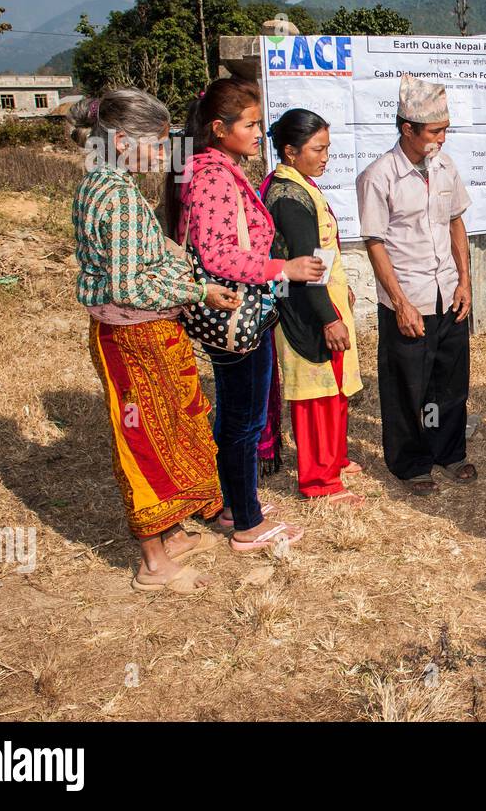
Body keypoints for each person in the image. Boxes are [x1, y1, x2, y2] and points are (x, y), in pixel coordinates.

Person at [71, 88, 241, 593]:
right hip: (132, 336)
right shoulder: (117, 195)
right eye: (159, 144)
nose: (166, 154)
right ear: (123, 141)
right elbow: (128, 285)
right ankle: (152, 562)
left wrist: (172, 260)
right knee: (141, 438)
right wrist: (198, 289)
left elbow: (138, 261)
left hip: (144, 332)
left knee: (167, 428)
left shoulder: (103, 183)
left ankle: (168, 534)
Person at [173, 78, 326, 552]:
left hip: (240, 310)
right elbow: (217, 255)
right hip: (236, 312)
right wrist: (284, 268)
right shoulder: (213, 175)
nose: (259, 133)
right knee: (244, 418)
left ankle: (232, 502)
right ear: (219, 128)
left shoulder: (217, 168)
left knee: (235, 414)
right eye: (251, 124)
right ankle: (247, 523)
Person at [356, 74, 475, 495]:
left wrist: (464, 282)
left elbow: (456, 221)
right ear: (407, 128)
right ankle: (409, 462)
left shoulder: (445, 166)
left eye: (445, 130)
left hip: (449, 294)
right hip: (408, 300)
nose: (442, 139)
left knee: (450, 381)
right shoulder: (378, 176)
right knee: (408, 385)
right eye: (435, 131)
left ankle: (448, 450)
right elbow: (375, 243)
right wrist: (400, 302)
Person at [263, 108, 366, 504]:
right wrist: (328, 317)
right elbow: (307, 264)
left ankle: (334, 460)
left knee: (334, 389)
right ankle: (318, 482)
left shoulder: (299, 184)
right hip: (306, 310)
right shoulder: (288, 197)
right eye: (317, 149)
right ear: (290, 151)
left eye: (327, 148)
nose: (325, 157)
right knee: (315, 396)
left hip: (322, 301)